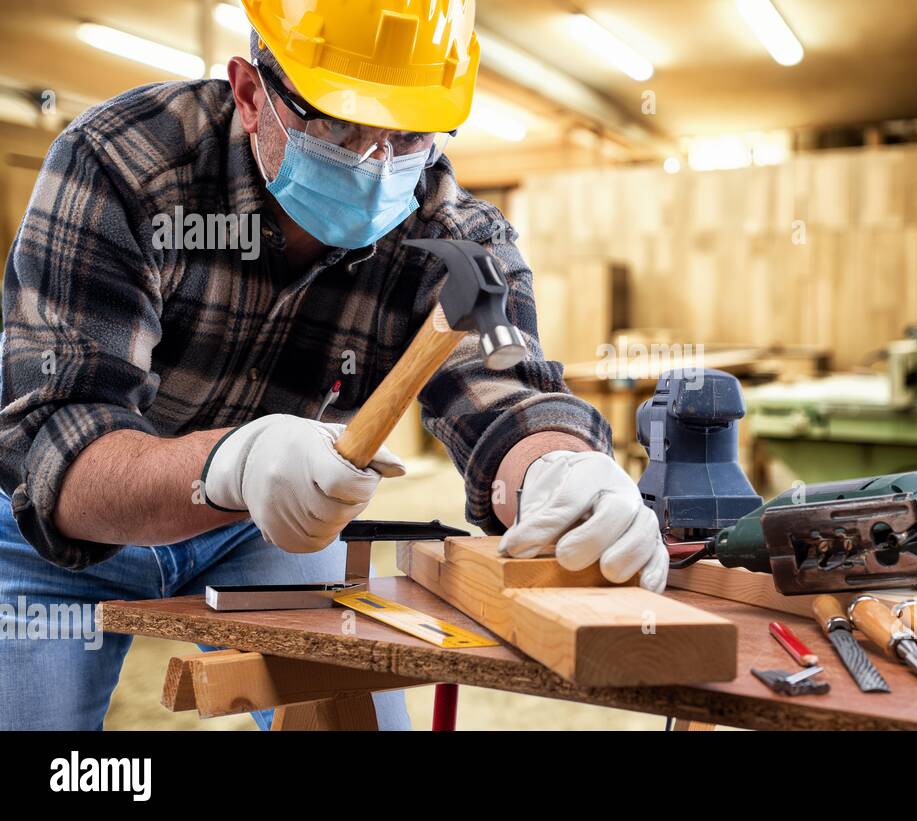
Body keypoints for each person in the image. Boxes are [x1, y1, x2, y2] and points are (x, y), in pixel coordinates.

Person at [0, 0, 666, 730]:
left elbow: (504, 391)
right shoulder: (123, 160)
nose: (378, 163)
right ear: (253, 95)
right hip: (51, 532)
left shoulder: (454, 233)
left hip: (260, 527)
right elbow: (58, 455)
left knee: (359, 723)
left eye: (411, 130)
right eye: (341, 122)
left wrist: (555, 470)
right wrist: (226, 464)